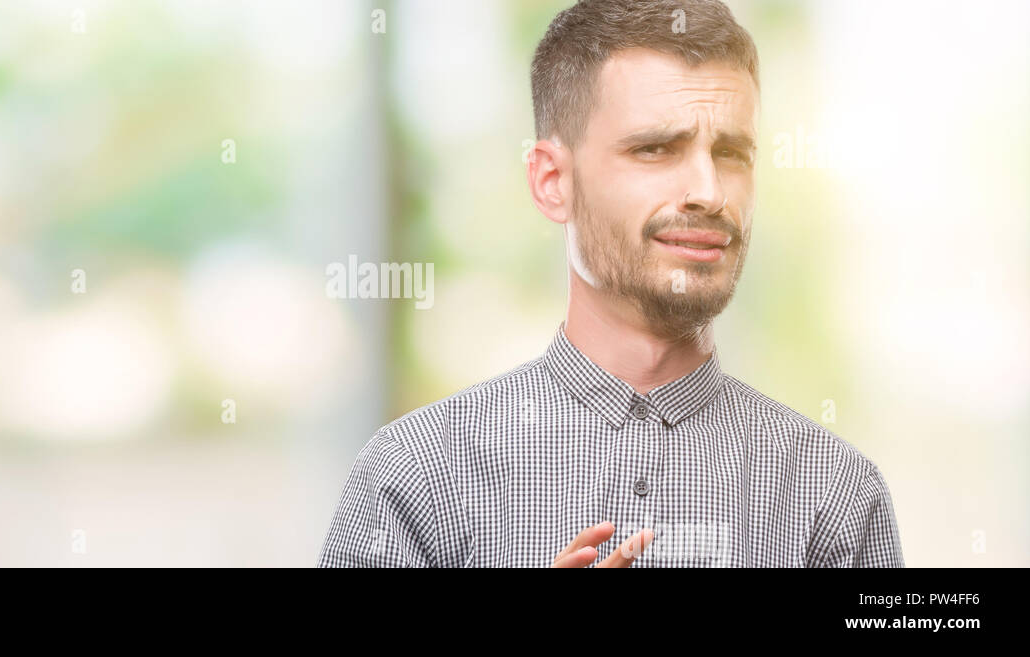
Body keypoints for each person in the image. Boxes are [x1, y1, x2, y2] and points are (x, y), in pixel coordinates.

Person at [317, 0, 904, 568]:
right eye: (655, 148)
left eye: (731, 153)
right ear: (552, 181)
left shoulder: (837, 496)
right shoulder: (415, 478)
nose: (709, 190)